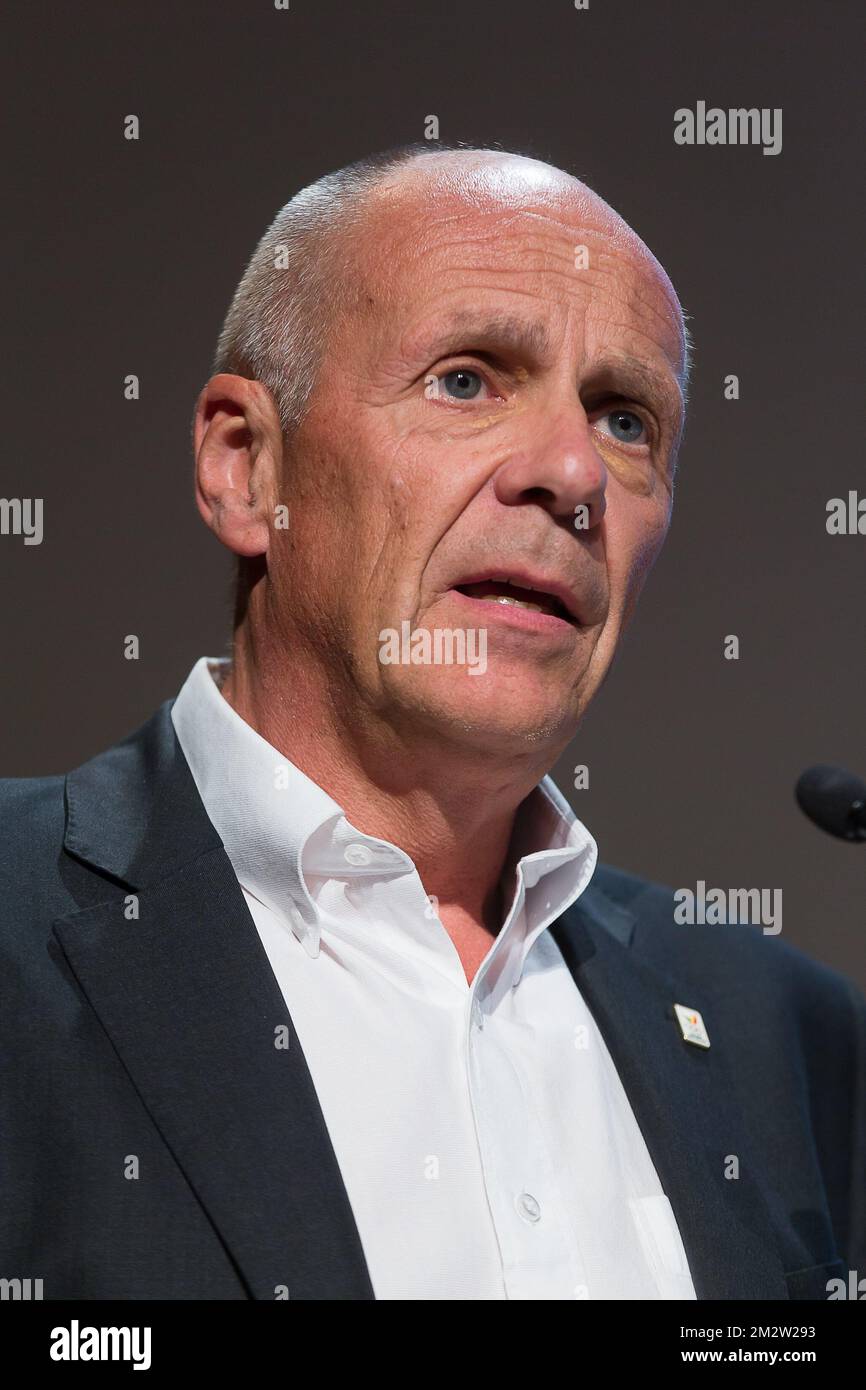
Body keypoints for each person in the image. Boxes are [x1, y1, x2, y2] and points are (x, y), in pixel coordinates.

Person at [1, 145, 863, 1301]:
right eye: (466, 380)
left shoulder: (790, 1037)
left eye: (622, 420)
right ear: (246, 468)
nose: (570, 473)